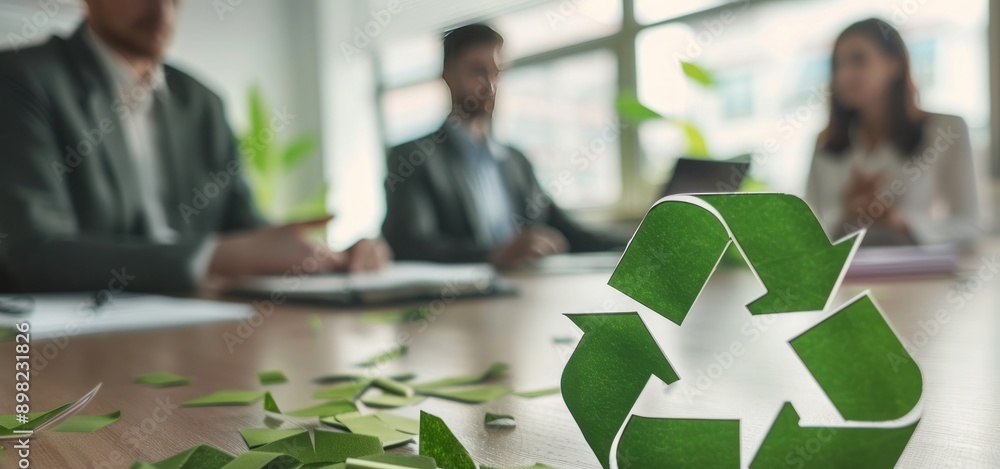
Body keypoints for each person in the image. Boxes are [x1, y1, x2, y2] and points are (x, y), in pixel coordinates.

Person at [0, 0, 390, 294]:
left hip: (201, 324)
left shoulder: (202, 102)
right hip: (72, 345)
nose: (162, 7)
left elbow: (243, 229)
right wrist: (210, 258)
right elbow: (35, 250)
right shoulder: (23, 81)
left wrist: (328, 257)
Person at [381, 24, 624, 267]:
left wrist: (636, 244)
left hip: (528, 292)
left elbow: (569, 232)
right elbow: (410, 246)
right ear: (448, 75)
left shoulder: (516, 161)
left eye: (496, 72)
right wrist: (494, 255)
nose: (490, 85)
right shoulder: (413, 158)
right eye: (477, 71)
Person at [805, 18, 980, 247]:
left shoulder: (949, 130)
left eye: (859, 60)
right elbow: (808, 235)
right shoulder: (824, 142)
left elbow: (970, 226)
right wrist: (846, 215)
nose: (844, 75)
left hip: (922, 274)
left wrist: (903, 222)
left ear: (894, 64)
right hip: (849, 275)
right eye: (837, 65)